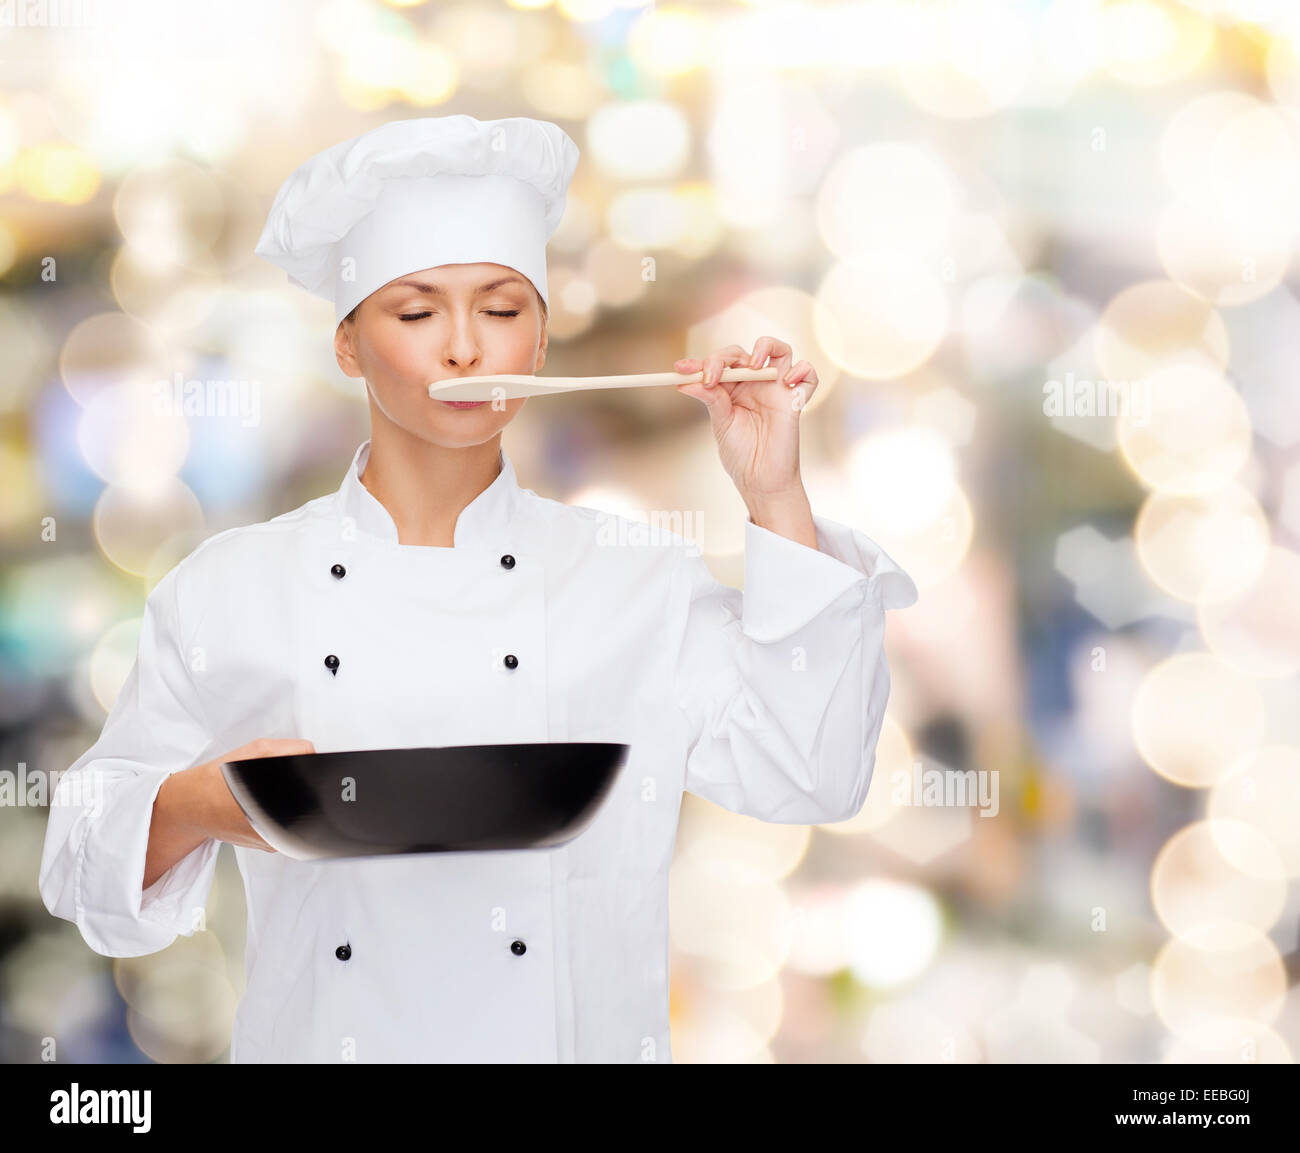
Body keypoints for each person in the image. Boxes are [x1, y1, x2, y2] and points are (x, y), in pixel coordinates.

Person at [38, 114, 918, 1063]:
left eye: (502, 310)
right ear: (348, 344)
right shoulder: (231, 588)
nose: (464, 349)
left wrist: (771, 487)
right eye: (415, 314)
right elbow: (83, 874)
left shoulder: (635, 578)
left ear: (539, 340)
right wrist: (202, 804)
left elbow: (813, 769)